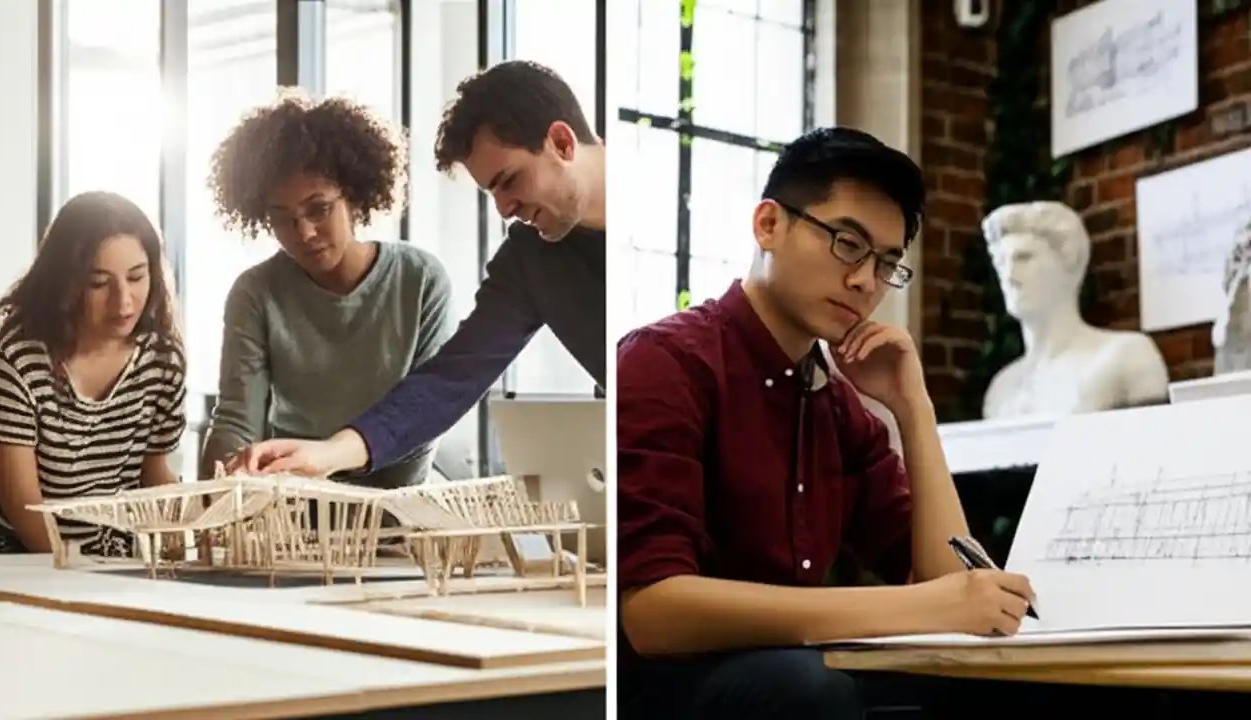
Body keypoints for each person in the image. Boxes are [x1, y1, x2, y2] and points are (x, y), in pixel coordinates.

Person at [616, 128, 1037, 718]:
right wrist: (931, 607)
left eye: (887, 263)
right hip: (669, 687)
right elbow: (653, 613)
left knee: (998, 684)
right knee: (808, 687)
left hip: (801, 674)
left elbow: (946, 585)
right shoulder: (664, 363)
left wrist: (913, 410)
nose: (866, 281)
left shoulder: (837, 407)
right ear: (768, 225)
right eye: (847, 243)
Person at [226, 60, 605, 479]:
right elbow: (447, 382)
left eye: (509, 181)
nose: (504, 209)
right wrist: (328, 455)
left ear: (562, 143)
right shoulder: (528, 261)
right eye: (491, 192)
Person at [198, 91, 456, 489]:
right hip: (288, 508)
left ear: (353, 195)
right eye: (282, 219)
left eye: (319, 210)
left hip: (395, 509)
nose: (304, 233)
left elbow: (423, 421)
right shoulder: (256, 293)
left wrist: (372, 512)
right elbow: (236, 419)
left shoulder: (420, 281)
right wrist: (219, 493)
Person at [0, 191, 185, 556]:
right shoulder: (13, 356)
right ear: (65, 283)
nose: (124, 302)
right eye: (99, 283)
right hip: (6, 545)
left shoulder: (162, 357)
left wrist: (180, 538)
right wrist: (76, 576)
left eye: (136, 277)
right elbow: (23, 507)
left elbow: (154, 472)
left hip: (106, 547)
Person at [980, 200, 1168, 418]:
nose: (1009, 276)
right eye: (1001, 262)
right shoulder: (1001, 389)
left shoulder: (1127, 356)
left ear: (1069, 262)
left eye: (1024, 258)